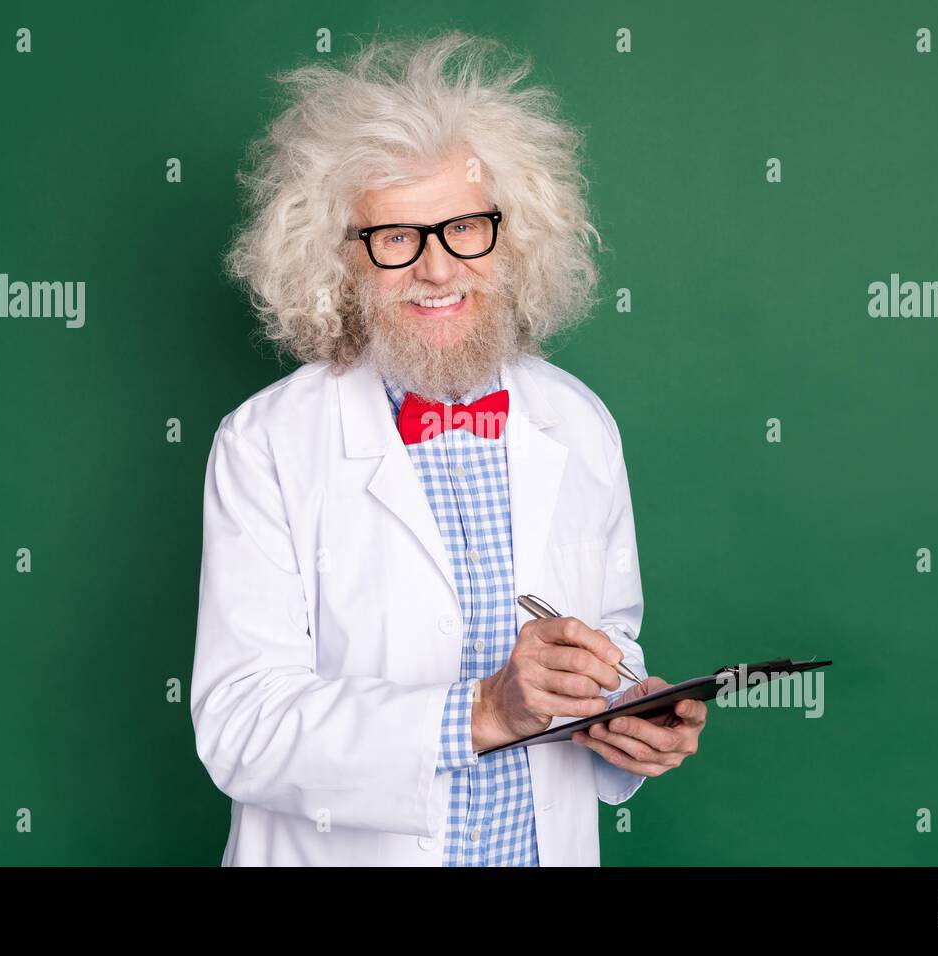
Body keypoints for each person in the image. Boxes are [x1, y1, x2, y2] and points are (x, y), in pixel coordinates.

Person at [190, 30, 707, 867]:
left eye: (465, 226)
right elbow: (242, 728)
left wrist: (622, 714)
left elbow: (610, 636)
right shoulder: (266, 444)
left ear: (513, 236)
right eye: (396, 238)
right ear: (340, 261)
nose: (437, 270)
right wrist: (485, 711)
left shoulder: (578, 421)